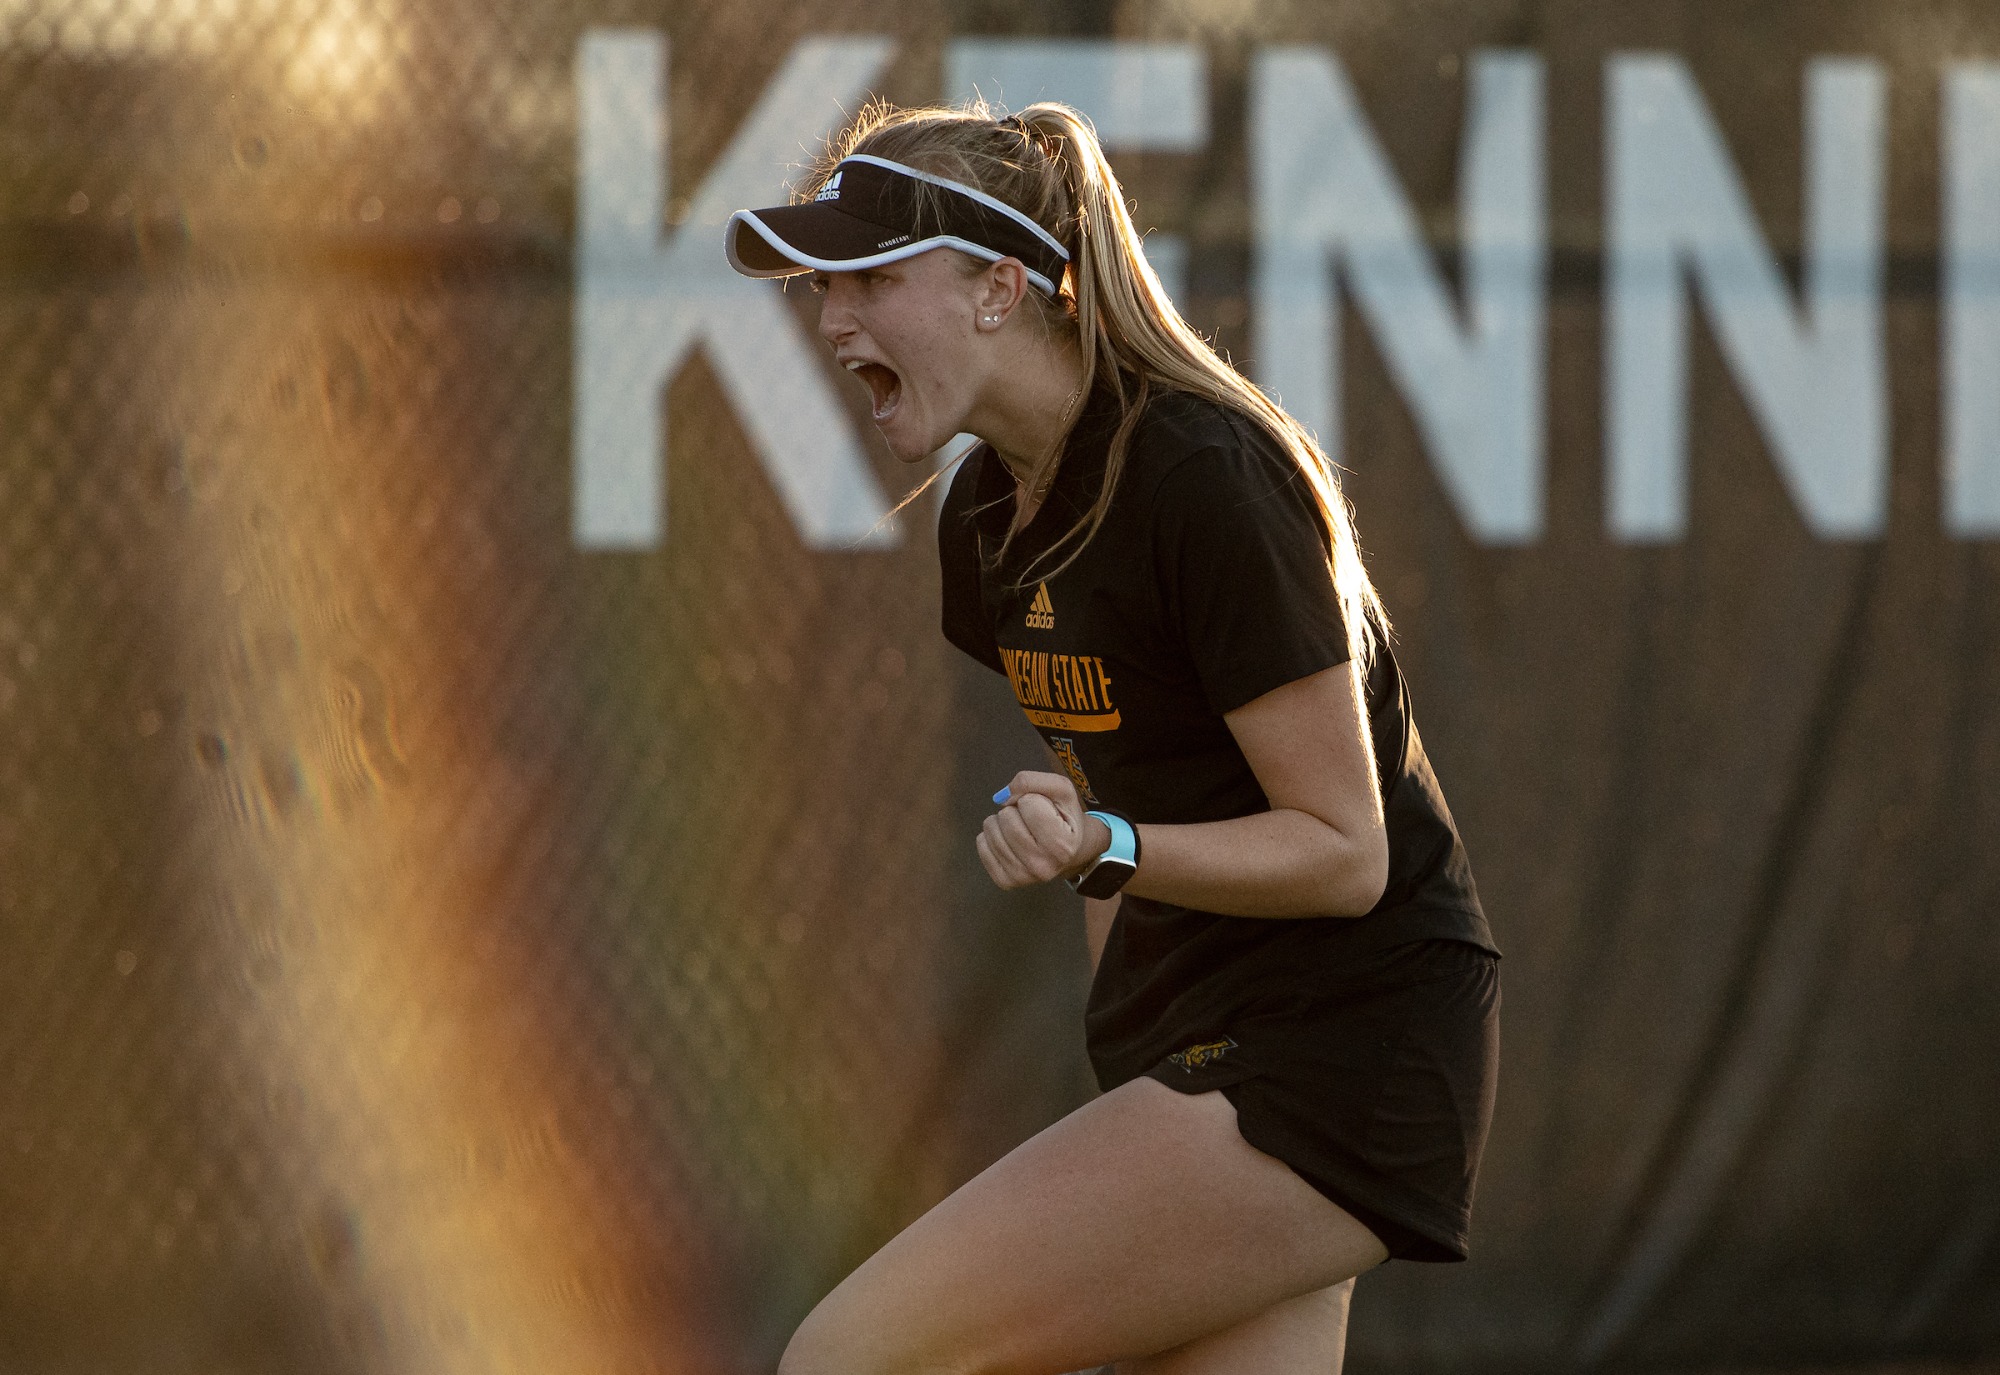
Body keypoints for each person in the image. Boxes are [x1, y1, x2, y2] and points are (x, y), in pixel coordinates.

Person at [724, 98, 1500, 1375]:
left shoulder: (1205, 475)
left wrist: (1109, 844)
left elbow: (1341, 850)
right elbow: (1117, 802)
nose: (831, 321)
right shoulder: (986, 514)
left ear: (995, 285)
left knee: (846, 1356)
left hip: (1338, 1051)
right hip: (1208, 1049)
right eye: (823, 285)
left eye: (867, 275)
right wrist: (1130, 1066)